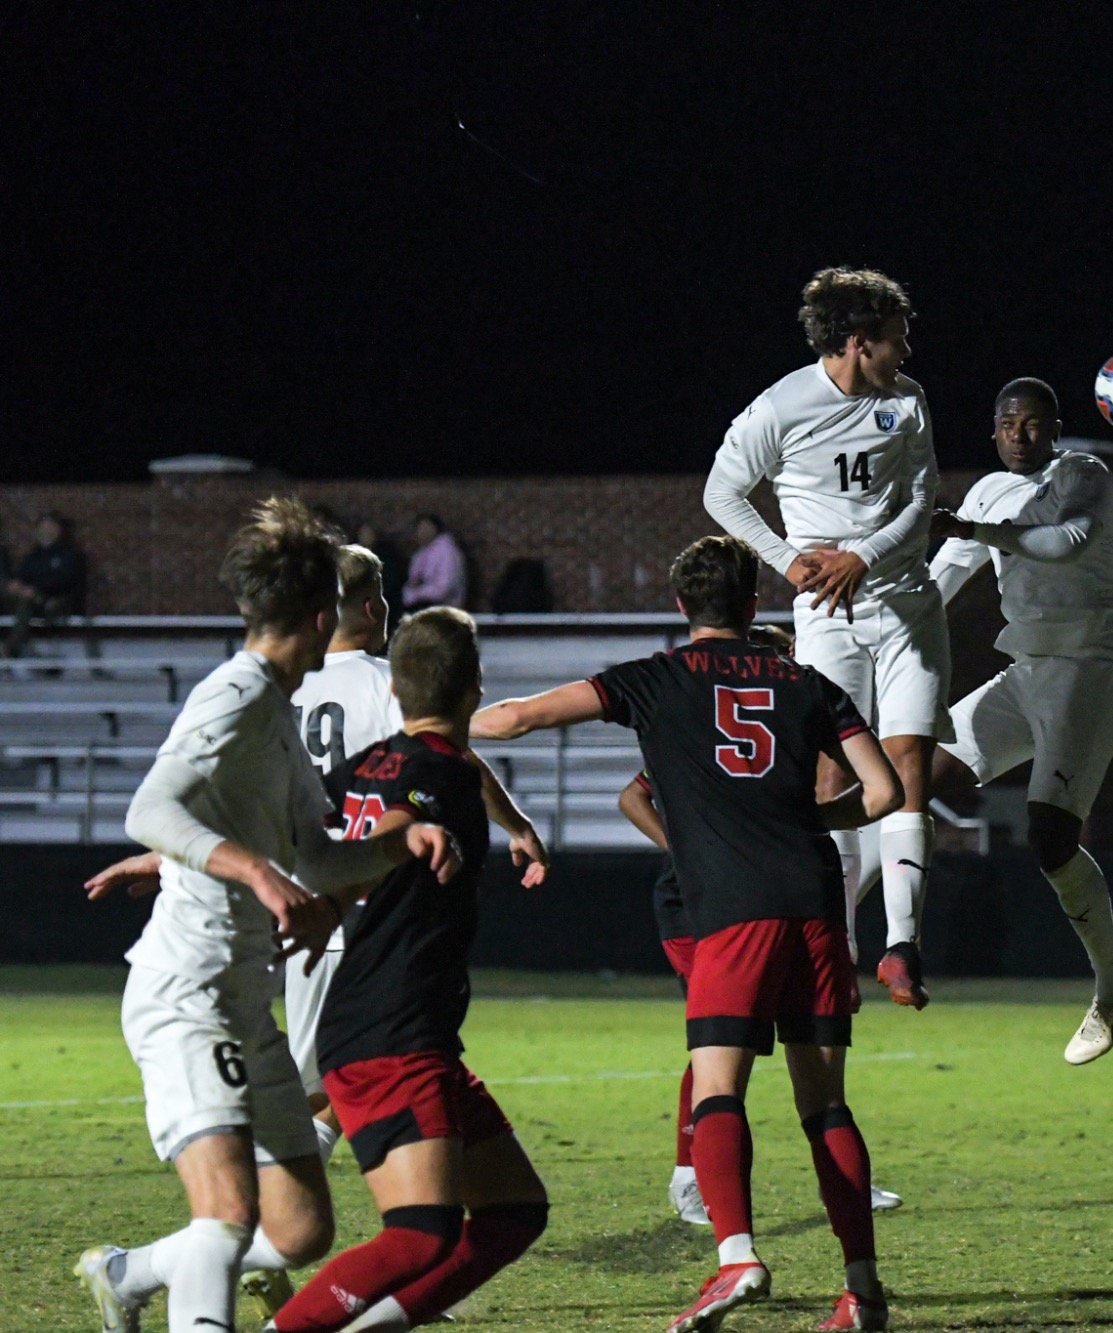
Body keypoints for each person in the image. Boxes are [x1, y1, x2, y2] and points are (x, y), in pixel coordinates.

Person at [86, 545, 548, 1322]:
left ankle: (132, 1275)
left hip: (295, 983)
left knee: (316, 1225)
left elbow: (314, 845)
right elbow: (162, 810)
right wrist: (264, 872)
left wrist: (175, 863)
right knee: (289, 1220)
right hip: (270, 996)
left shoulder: (307, 729)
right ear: (324, 616)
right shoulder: (253, 696)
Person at [473, 535, 902, 1332]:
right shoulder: (808, 683)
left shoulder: (656, 677)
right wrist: (810, 816)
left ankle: (737, 1255)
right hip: (813, 903)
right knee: (826, 1107)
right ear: (752, 605)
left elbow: (519, 718)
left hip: (731, 912)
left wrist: (443, 719)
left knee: (716, 1091)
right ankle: (864, 1289)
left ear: (681, 607)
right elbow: (884, 791)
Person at [264, 608, 550, 1332]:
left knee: (513, 1211)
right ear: (477, 688)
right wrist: (409, 832)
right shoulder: (433, 778)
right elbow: (404, 814)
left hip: (405, 1026)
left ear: (394, 688)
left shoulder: (378, 760)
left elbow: (362, 821)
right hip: (390, 1029)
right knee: (420, 1232)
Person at [703, 266, 950, 1009]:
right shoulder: (782, 407)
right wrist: (789, 560)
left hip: (906, 602)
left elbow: (922, 498)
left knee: (907, 760)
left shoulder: (906, 402)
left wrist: (862, 555)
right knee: (832, 781)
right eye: (894, 339)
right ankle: (836, 948)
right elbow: (722, 492)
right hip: (828, 616)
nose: (904, 352)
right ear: (857, 341)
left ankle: (901, 945)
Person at [926, 377, 1113, 1063]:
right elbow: (938, 584)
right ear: (993, 429)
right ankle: (844, 935)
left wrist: (969, 527)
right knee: (910, 775)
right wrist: (839, 636)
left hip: (1089, 670)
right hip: (1025, 672)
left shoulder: (1082, 473)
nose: (1021, 433)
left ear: (1055, 428)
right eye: (1009, 422)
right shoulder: (986, 492)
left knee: (1050, 838)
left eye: (1035, 422)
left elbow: (1062, 541)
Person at [7, 511, 87, 656]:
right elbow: (24, 576)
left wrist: (36, 589)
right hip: (35, 602)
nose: (47, 531)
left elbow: (66, 580)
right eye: (43, 527)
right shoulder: (33, 556)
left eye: (51, 527)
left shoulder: (69, 554)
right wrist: (18, 586)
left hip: (61, 601)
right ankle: (13, 648)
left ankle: (12, 649)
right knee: (25, 603)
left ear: (59, 529)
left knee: (37, 602)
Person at [402, 514, 466, 612]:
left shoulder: (447, 552)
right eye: (420, 528)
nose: (423, 531)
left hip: (443, 606)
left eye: (427, 527)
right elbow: (413, 582)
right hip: (420, 603)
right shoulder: (419, 554)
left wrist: (417, 593)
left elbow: (444, 587)